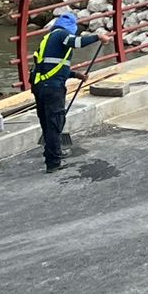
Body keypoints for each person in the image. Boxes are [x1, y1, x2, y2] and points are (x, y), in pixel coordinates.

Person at [29, 11, 112, 173]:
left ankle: (53, 152)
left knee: (47, 122)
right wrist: (98, 37)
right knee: (55, 123)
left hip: (40, 86)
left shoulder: (49, 39)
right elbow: (76, 42)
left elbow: (52, 67)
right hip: (52, 88)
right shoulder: (62, 35)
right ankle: (53, 163)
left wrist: (75, 75)